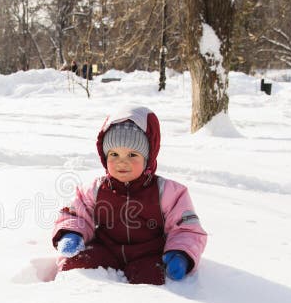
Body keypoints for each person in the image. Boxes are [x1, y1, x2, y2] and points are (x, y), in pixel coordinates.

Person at [52, 106, 207, 285]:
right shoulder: (95, 189)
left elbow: (186, 228)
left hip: (149, 254)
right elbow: (77, 214)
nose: (122, 162)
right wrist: (72, 233)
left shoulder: (167, 192)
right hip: (105, 250)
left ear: (148, 158)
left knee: (154, 278)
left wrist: (180, 253)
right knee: (76, 266)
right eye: (114, 154)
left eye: (132, 154)